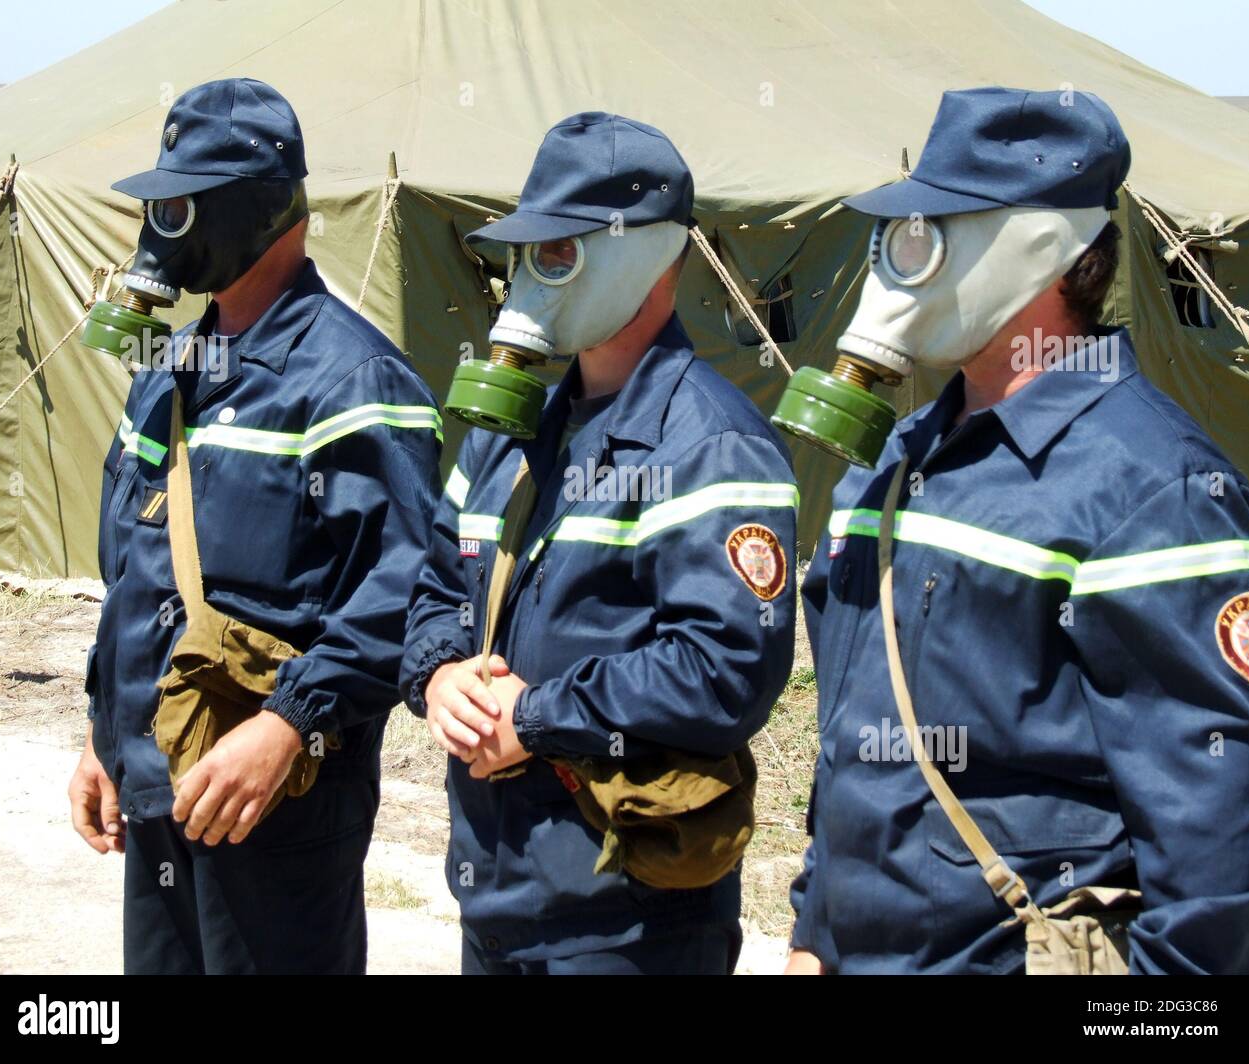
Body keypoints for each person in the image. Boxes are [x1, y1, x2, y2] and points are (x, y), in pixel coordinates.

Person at [788, 87, 1249, 974]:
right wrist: (814, 928)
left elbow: (1216, 832)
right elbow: (856, 734)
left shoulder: (1157, 487)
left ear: (1042, 250)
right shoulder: (896, 458)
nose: (902, 259)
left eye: (936, 230)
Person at [401, 112, 798, 974]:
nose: (537, 275)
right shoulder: (507, 434)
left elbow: (726, 670)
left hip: (630, 918)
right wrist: (437, 676)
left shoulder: (710, 447)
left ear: (654, 254)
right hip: (498, 897)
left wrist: (538, 719)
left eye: (561, 249)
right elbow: (436, 581)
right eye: (531, 250)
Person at [66, 78, 443, 974]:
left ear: (265, 208)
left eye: (184, 202)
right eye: (159, 200)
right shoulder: (168, 370)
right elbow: (134, 572)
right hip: (162, 793)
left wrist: (287, 728)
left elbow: (407, 591)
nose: (164, 222)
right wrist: (101, 734)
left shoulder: (355, 384)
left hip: (278, 807)